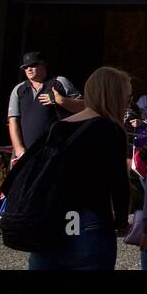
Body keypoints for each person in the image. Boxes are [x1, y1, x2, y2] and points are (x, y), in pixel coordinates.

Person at [27, 66, 131, 270]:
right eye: (127, 98)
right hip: (89, 219)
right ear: (115, 96)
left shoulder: (57, 127)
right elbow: (119, 182)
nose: (128, 103)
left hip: (52, 220)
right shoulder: (110, 129)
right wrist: (121, 221)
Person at [7, 51, 83, 162]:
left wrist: (60, 100)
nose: (29, 69)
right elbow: (13, 120)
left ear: (43, 64)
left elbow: (84, 106)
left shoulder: (59, 82)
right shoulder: (19, 89)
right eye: (25, 67)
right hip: (25, 155)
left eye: (33, 65)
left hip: (54, 152)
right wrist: (19, 150)